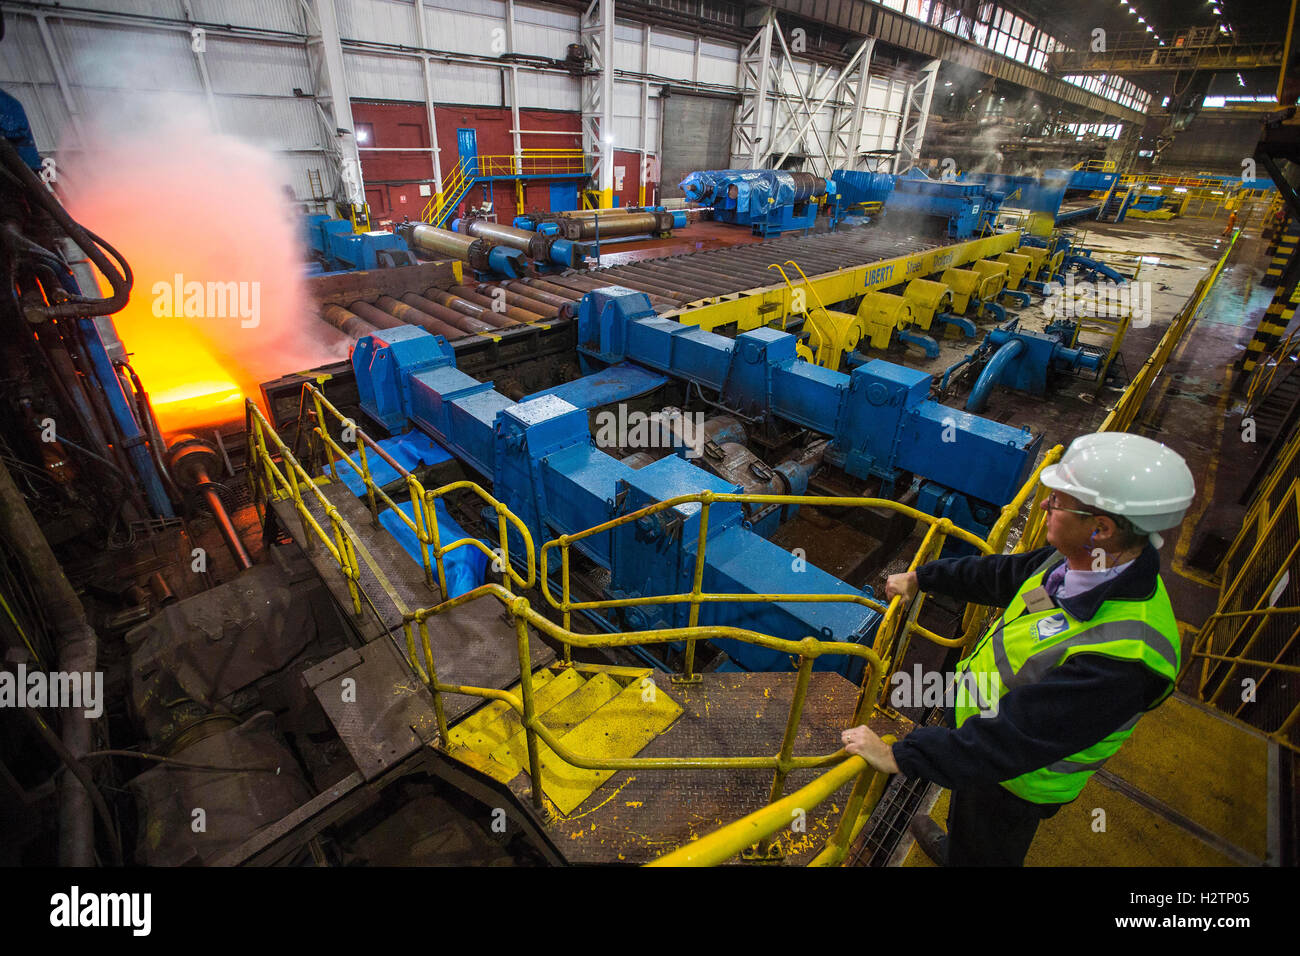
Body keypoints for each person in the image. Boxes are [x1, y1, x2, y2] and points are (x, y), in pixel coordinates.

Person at [841, 432, 1195, 866]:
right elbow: (1002, 575)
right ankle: (958, 849)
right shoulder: (1079, 564)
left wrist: (900, 754)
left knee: (989, 849)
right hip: (978, 743)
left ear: (1101, 528)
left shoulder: (1125, 658)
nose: (1045, 506)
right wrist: (924, 579)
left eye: (1059, 501)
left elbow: (1013, 739)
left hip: (1017, 782)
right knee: (968, 823)